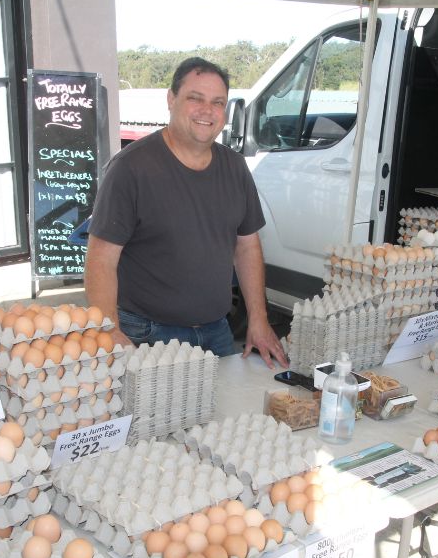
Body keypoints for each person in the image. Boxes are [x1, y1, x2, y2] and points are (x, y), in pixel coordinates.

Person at [84, 57, 287, 368]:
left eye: (217, 102)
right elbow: (100, 258)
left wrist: (258, 319)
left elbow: (246, 246)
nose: (207, 111)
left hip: (217, 332)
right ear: (171, 99)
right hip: (148, 335)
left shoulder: (234, 167)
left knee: (222, 415)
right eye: (195, 98)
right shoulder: (131, 168)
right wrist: (109, 330)